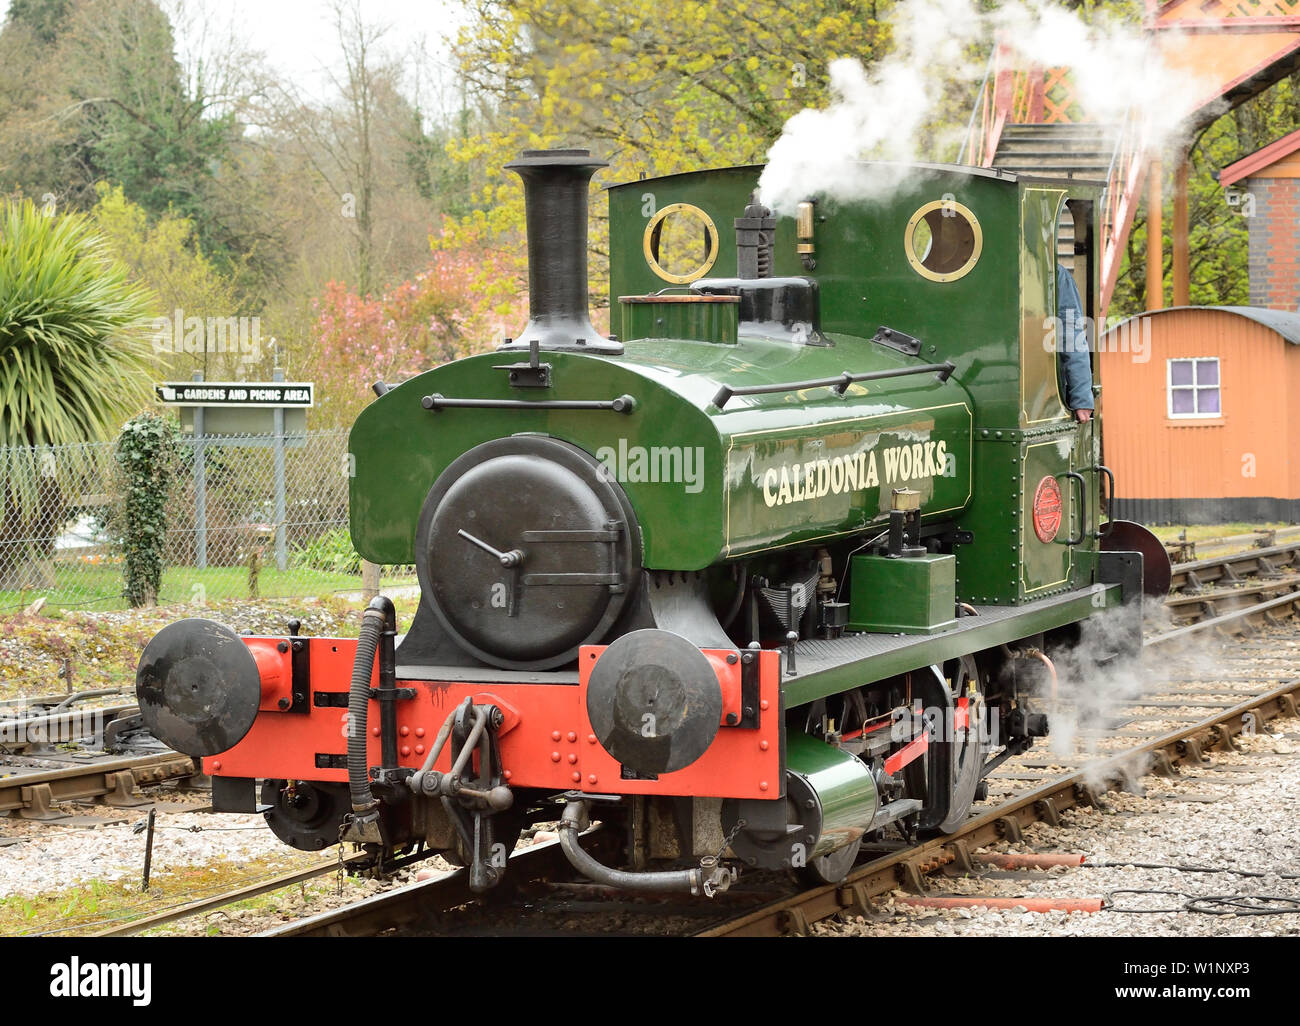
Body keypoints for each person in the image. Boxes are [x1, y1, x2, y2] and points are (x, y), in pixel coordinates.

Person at [1056, 264, 1094, 423]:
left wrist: (1081, 397)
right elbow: (1072, 334)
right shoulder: (1057, 274)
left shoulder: (1057, 274)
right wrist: (1082, 398)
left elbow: (1071, 334)